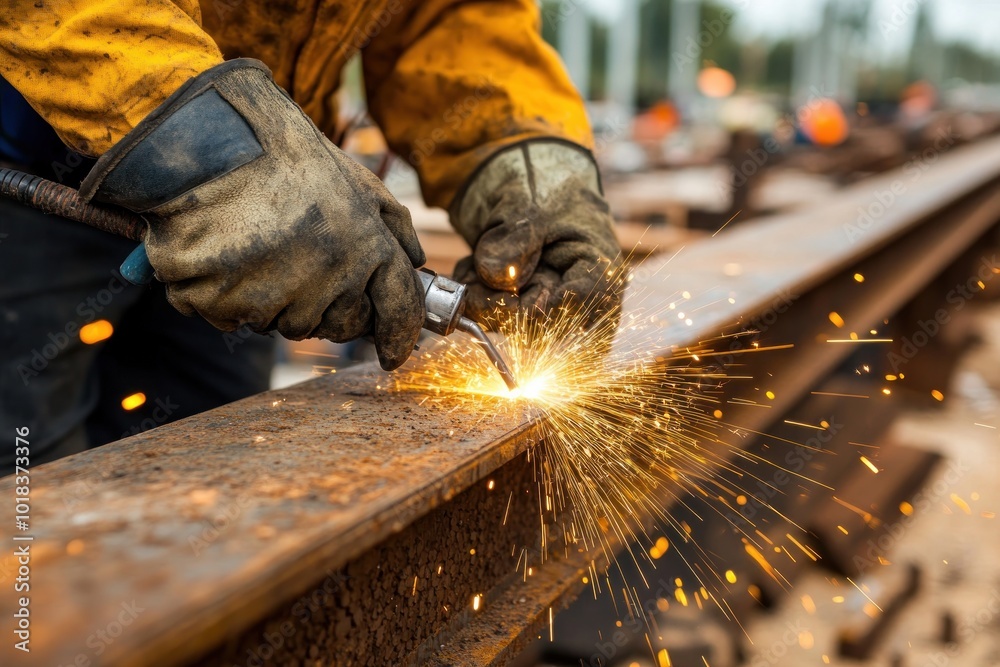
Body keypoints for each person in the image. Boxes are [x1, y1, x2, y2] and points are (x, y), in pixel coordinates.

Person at [0, 0, 621, 465]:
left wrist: (524, 163)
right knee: (28, 490)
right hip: (39, 163)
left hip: (270, 210)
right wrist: (212, 143)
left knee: (215, 474)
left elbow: (445, 17)